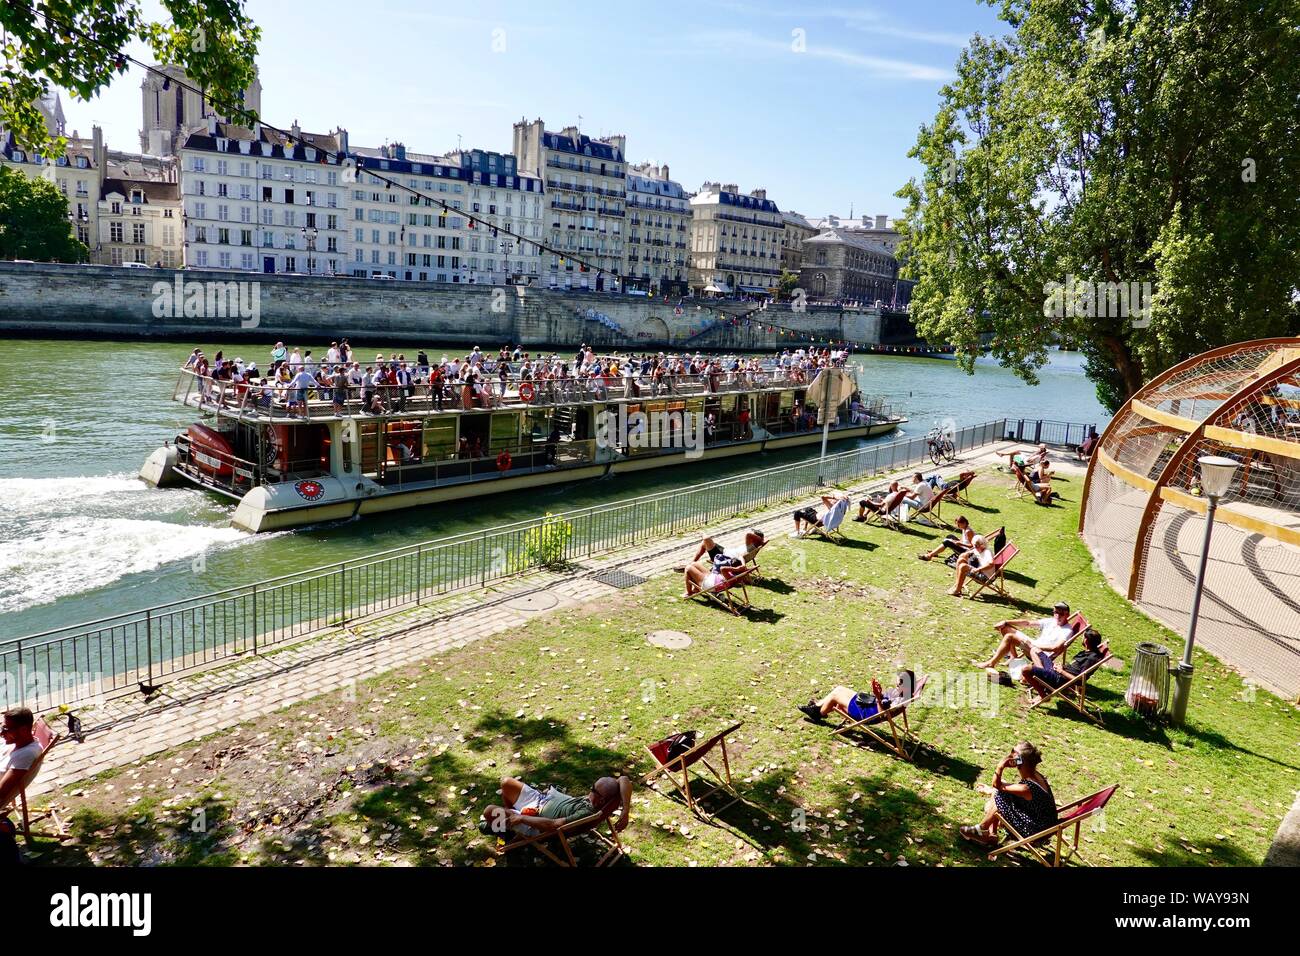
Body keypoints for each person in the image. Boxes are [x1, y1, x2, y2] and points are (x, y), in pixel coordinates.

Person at [960, 741, 1057, 847]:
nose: (1009, 755)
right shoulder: (1037, 776)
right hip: (1043, 825)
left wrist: (1000, 766)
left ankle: (982, 830)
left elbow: (997, 785)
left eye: (1012, 752)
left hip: (1034, 831)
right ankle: (991, 834)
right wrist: (992, 790)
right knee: (1000, 793)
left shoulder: (1027, 787)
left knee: (999, 793)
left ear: (1019, 761)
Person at [481, 774, 632, 839]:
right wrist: (625, 811)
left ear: (601, 799)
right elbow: (624, 779)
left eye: (593, 789)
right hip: (540, 799)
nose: (590, 790)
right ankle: (506, 827)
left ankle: (504, 828)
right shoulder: (604, 799)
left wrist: (521, 818)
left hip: (534, 818)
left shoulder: (585, 813)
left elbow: (553, 825)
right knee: (506, 782)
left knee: (489, 811)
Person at [973, 602, 1075, 672]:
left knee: (1009, 636)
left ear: (1067, 614)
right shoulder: (1050, 621)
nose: (1057, 615)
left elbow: (1056, 648)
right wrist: (1006, 621)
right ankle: (1013, 656)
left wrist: (1034, 646)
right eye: (1055, 612)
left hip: (1041, 654)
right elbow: (1027, 623)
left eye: (1061, 613)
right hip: (1033, 645)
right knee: (1005, 628)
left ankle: (991, 663)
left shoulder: (1067, 630)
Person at [1, 708, 42, 865]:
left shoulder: (26, 754)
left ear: (24, 729)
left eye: (6, 729)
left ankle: (4, 829)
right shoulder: (13, 743)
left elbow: (2, 792)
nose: (2, 733)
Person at [798, 671, 917, 724]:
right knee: (839, 689)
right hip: (870, 705)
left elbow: (882, 714)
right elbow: (884, 703)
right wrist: (879, 693)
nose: (896, 686)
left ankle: (818, 713)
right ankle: (817, 706)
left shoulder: (900, 701)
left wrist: (877, 696)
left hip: (868, 714)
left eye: (899, 684)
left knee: (835, 696)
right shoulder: (903, 694)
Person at [1023, 628, 1106, 695]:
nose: (1082, 639)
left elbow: (1080, 681)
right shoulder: (1089, 652)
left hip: (1058, 678)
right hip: (1056, 671)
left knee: (1026, 669)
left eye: (1083, 637)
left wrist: (1061, 671)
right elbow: (1075, 668)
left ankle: (1042, 694)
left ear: (1086, 641)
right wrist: (1063, 667)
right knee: (1034, 650)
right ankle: (1043, 677)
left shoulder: (1090, 659)